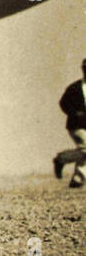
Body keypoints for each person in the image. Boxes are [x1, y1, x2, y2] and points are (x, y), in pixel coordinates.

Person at [53, 59, 86, 188]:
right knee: (85, 148)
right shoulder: (74, 88)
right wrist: (75, 113)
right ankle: (62, 159)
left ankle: (77, 180)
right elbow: (63, 103)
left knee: (84, 151)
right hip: (76, 125)